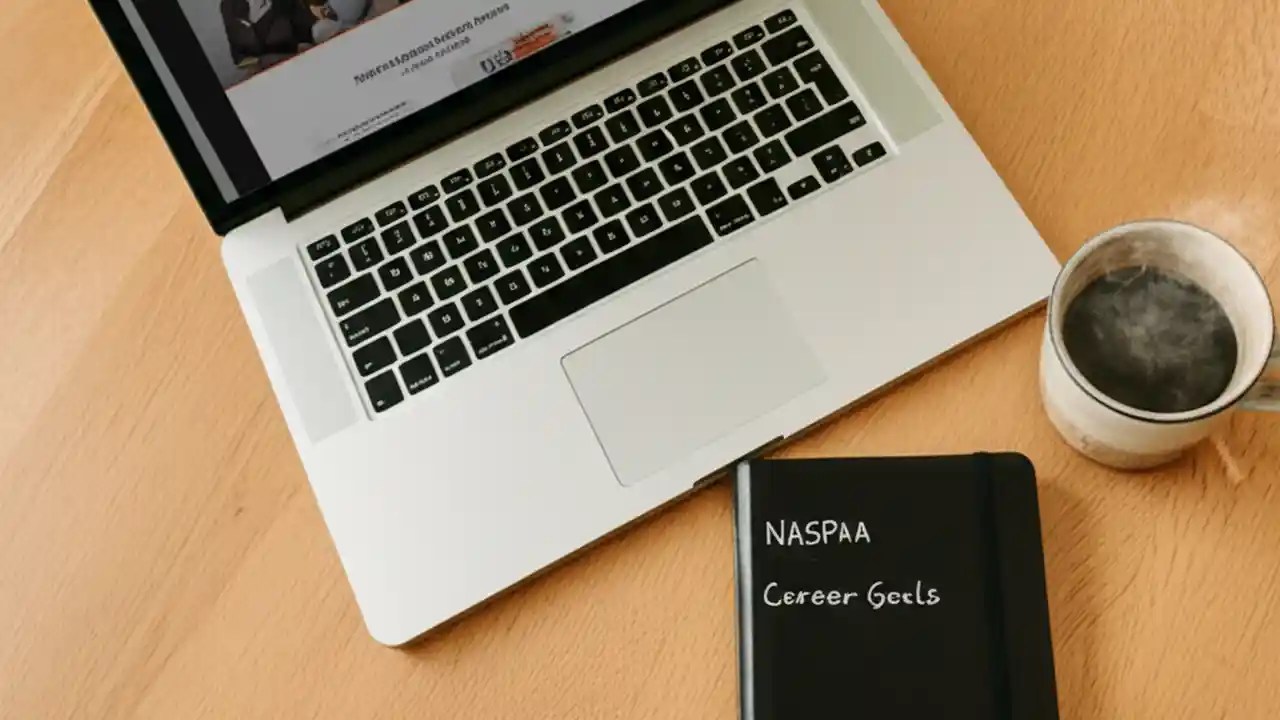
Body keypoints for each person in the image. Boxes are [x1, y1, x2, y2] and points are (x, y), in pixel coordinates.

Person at [220, 0, 316, 69]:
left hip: (297, 59)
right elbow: (238, 55)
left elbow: (305, 34)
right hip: (262, 70)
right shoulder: (228, 5)